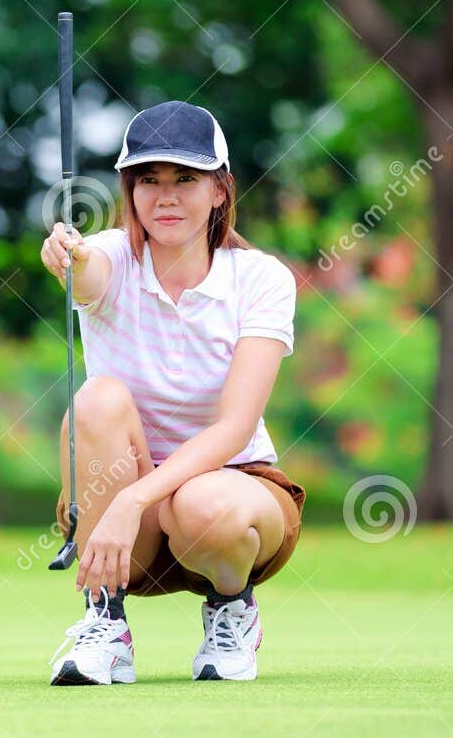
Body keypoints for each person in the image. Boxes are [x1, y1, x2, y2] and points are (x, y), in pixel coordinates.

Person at [41, 101, 304, 684]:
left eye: (186, 179)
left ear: (220, 190)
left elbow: (234, 429)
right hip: (125, 517)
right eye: (148, 181)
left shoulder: (262, 279)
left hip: (233, 503)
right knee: (96, 398)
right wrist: (66, 252)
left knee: (205, 503)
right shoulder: (108, 255)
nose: (166, 197)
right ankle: (105, 626)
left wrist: (134, 502)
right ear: (129, 192)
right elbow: (84, 271)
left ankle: (231, 607)